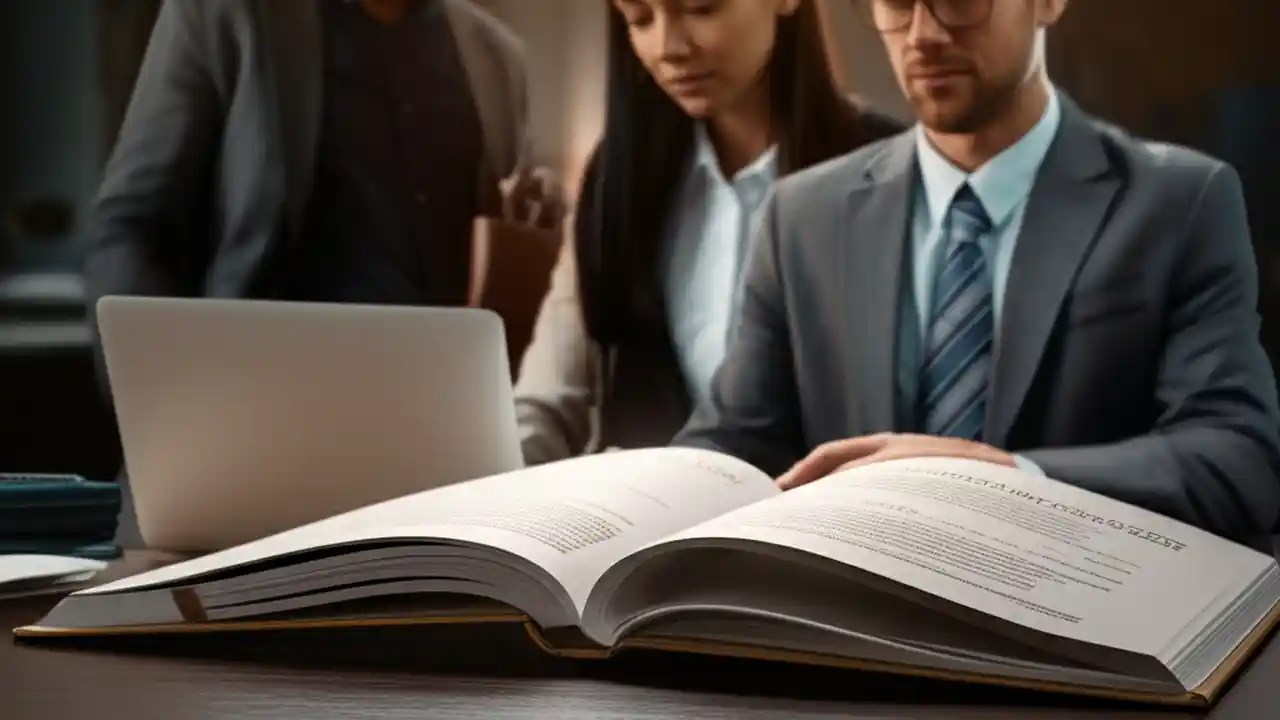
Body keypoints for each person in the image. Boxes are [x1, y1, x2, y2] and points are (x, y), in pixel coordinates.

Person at [673, 0, 1280, 548]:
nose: (924, 34)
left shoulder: (1179, 202)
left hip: (1074, 633)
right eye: (897, 4)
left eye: (959, 2)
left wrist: (1004, 477)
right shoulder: (803, 216)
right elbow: (732, 444)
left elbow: (1239, 458)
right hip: (851, 631)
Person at [514, 0, 903, 465]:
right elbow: (552, 398)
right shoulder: (621, 180)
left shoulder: (885, 174)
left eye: (701, 8)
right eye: (639, 19)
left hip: (818, 519)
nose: (668, 47)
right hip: (648, 518)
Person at [84, 0, 562, 377]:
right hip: (262, 403)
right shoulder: (229, 14)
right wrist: (162, 407)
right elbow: (134, 228)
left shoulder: (495, 54)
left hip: (437, 420)